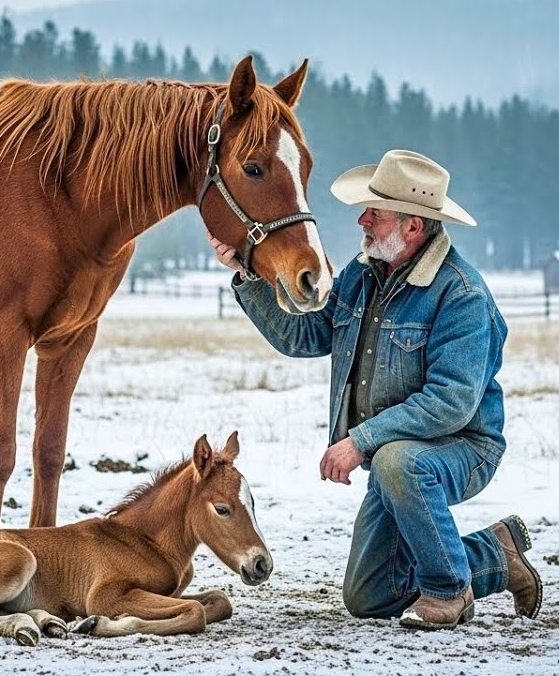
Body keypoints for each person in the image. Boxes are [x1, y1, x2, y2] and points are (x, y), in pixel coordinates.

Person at [209, 149, 541, 630]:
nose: (362, 220)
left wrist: (361, 441)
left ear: (413, 226)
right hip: (397, 462)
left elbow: (451, 402)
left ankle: (448, 591)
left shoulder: (461, 296)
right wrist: (246, 272)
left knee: (395, 459)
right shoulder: (363, 275)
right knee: (369, 595)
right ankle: (495, 556)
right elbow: (304, 335)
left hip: (460, 449)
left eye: (375, 213)